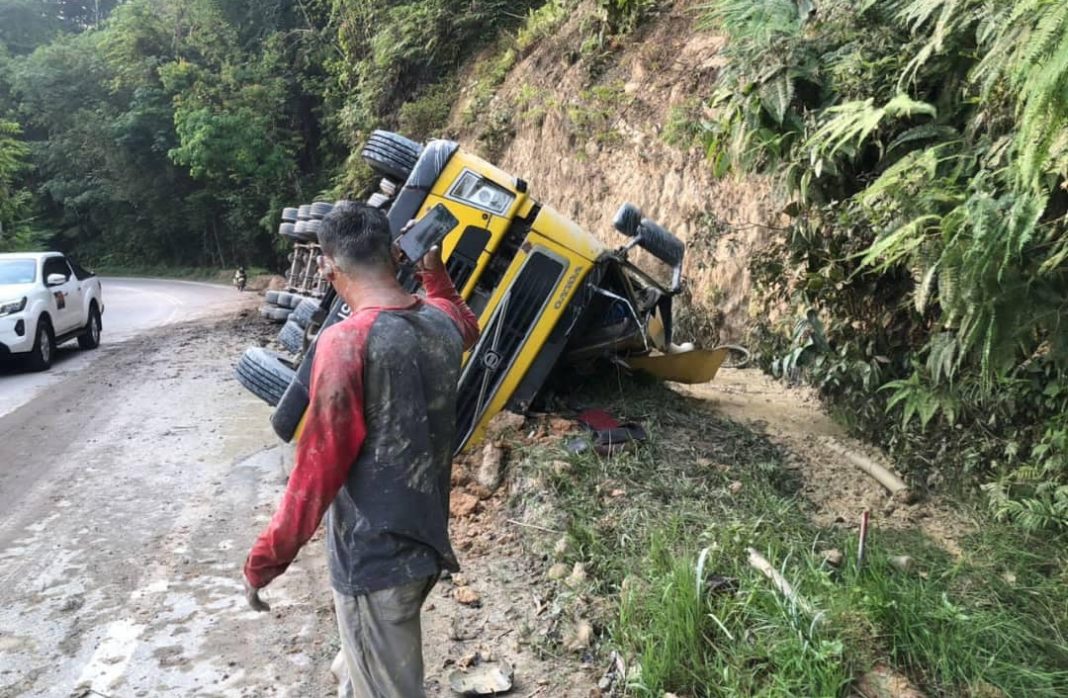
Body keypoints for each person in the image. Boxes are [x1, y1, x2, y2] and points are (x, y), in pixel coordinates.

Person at [241, 201, 479, 696]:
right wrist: (434, 275)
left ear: (327, 267)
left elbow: (314, 476)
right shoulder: (440, 323)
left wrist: (264, 561)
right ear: (395, 252)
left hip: (375, 564)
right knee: (363, 667)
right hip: (426, 543)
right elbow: (464, 322)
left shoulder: (345, 342)